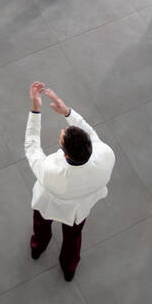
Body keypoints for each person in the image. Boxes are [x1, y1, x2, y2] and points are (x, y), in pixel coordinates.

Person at [25, 82, 114, 281]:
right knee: (73, 238)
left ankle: (37, 248)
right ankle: (69, 267)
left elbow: (31, 147)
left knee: (41, 225)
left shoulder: (51, 172)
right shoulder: (106, 155)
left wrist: (35, 109)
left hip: (49, 204)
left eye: (61, 137)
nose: (61, 133)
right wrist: (67, 113)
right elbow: (90, 132)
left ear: (65, 155)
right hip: (78, 211)